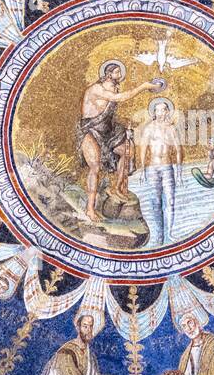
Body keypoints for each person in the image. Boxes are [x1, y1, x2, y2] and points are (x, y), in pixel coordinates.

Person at [78, 60, 164, 222]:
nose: (120, 75)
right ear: (108, 74)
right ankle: (90, 209)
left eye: (120, 72)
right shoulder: (97, 89)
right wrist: (143, 87)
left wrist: (126, 121)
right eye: (117, 72)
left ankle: (117, 188)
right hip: (90, 131)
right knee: (95, 168)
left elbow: (108, 112)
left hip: (108, 130)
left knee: (128, 151)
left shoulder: (114, 87)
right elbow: (119, 98)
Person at [139, 97, 183, 245]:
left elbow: (178, 149)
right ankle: (158, 236)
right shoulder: (149, 128)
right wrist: (142, 171)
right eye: (157, 110)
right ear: (154, 112)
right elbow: (143, 149)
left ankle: (169, 234)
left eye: (163, 109)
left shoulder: (171, 128)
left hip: (167, 168)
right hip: (152, 168)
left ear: (167, 112)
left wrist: (179, 172)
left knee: (170, 201)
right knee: (155, 203)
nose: (160, 113)